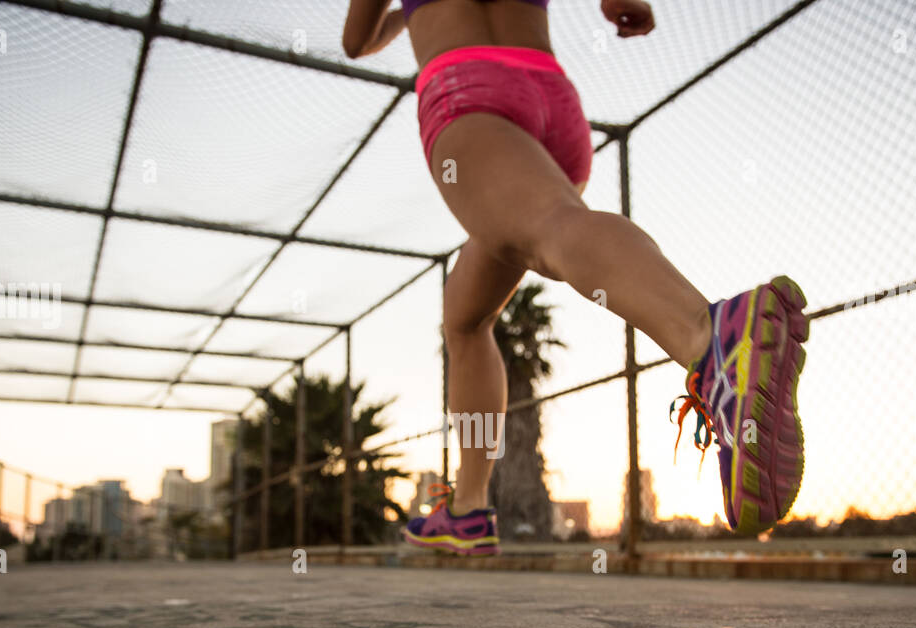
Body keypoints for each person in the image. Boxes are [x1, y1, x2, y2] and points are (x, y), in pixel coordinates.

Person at [343, 0, 808, 555]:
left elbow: (356, 41)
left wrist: (402, 13)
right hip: (551, 100)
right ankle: (466, 510)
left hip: (470, 90)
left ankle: (711, 340)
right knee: (466, 318)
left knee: (549, 227)